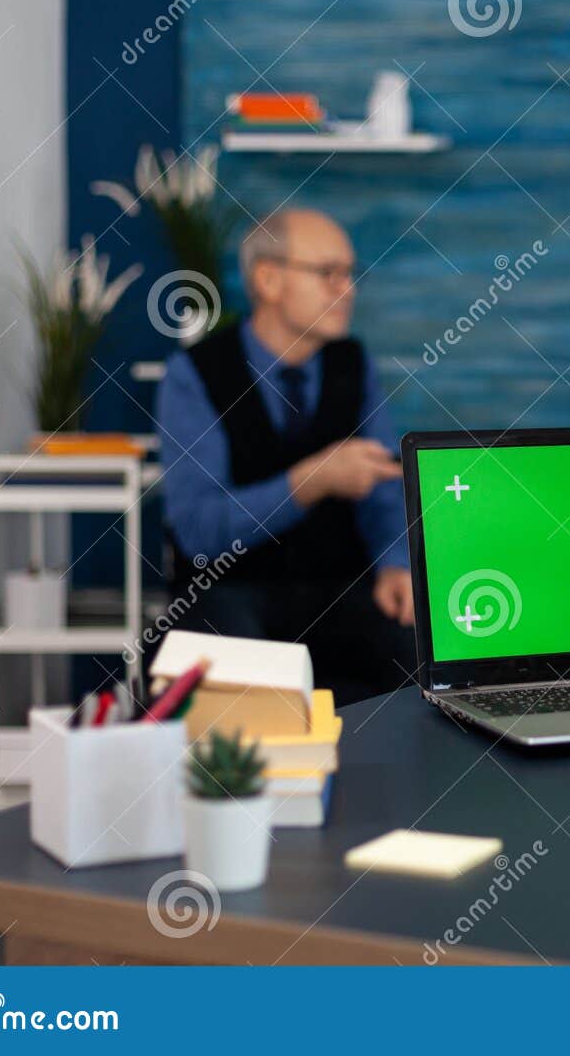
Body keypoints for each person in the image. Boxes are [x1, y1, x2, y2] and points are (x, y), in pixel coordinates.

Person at [155, 207, 415, 704]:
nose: (348, 288)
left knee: (417, 655)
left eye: (349, 273)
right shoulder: (195, 375)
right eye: (327, 273)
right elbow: (199, 532)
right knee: (239, 676)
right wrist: (309, 481)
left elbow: (384, 484)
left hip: (339, 587)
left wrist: (394, 562)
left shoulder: (352, 364)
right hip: (230, 587)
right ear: (268, 279)